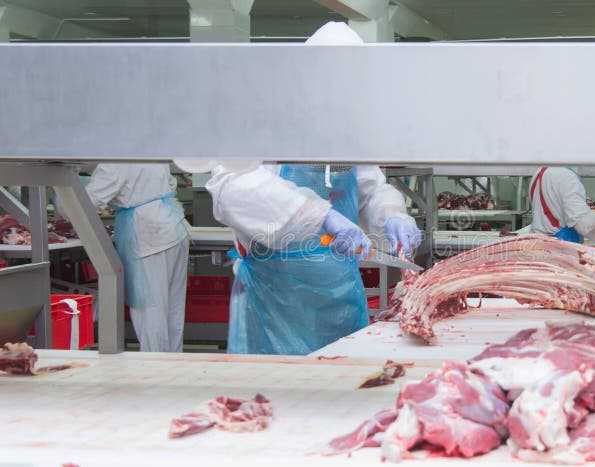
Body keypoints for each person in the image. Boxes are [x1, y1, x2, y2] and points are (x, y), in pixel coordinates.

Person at [205, 23, 422, 356]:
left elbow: (369, 187)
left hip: (340, 296)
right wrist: (319, 217)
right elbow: (233, 188)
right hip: (275, 299)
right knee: (271, 400)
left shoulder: (347, 130)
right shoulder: (264, 121)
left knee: (345, 397)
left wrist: (391, 214)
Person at [57, 164, 190, 352]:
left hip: (148, 237)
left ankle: (155, 370)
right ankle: (173, 367)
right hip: (173, 227)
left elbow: (87, 202)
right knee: (172, 312)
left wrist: (61, 201)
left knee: (150, 313)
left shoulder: (114, 159)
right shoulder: (143, 147)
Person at [529, 167, 595, 244]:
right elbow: (582, 222)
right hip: (560, 247)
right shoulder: (566, 176)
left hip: (538, 244)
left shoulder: (539, 172)